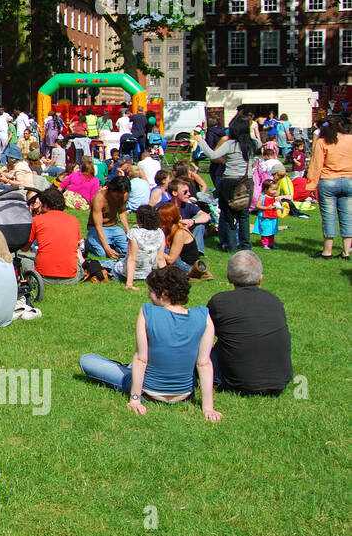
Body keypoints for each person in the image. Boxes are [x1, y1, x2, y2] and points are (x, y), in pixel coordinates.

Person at [80, 266, 222, 422]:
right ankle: (129, 369)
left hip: (148, 392)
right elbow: (204, 364)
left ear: (164, 294)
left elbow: (141, 359)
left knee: (88, 360)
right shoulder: (203, 316)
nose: (148, 296)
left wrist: (135, 398)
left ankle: (126, 370)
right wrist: (208, 407)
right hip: (184, 394)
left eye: (151, 291)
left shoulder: (148, 312)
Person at [207, 251, 293, 397]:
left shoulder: (219, 302)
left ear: (228, 278)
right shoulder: (274, 300)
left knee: (205, 347)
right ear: (260, 279)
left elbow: (206, 334)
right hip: (280, 380)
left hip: (236, 382)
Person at [191, 116, 260, 253]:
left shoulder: (231, 144)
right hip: (247, 180)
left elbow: (212, 154)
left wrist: (201, 141)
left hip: (229, 180)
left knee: (229, 213)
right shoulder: (254, 144)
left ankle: (231, 244)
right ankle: (245, 244)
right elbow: (259, 142)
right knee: (244, 214)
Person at [306, 117, 352, 259]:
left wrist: (311, 184)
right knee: (348, 218)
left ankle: (327, 251)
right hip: (349, 180)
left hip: (328, 181)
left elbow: (316, 164)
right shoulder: (350, 139)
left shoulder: (322, 141)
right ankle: (346, 252)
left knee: (328, 218)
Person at [23, 186, 82, 283]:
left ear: (45, 205)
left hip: (42, 278)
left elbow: (25, 248)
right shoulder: (74, 221)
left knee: (22, 260)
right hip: (71, 278)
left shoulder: (37, 220)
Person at [108, 204, 166, 288]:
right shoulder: (160, 232)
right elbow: (160, 259)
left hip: (128, 273)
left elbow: (132, 259)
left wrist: (129, 284)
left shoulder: (134, 233)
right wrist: (166, 281)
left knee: (103, 264)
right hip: (148, 274)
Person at [86, 175, 131, 262]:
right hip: (98, 228)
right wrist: (107, 248)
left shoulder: (124, 195)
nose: (119, 197)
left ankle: (112, 244)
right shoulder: (99, 198)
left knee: (129, 250)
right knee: (102, 253)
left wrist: (128, 231)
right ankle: (88, 243)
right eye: (117, 195)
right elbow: (98, 226)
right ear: (112, 189)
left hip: (114, 227)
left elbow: (122, 213)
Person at [256, 178, 280, 249]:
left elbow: (279, 205)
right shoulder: (262, 197)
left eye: (276, 189)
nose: (274, 191)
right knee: (266, 230)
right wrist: (266, 208)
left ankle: (271, 243)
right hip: (265, 217)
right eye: (273, 189)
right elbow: (257, 205)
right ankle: (265, 244)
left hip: (273, 216)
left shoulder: (274, 197)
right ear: (265, 189)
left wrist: (278, 200)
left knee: (272, 230)